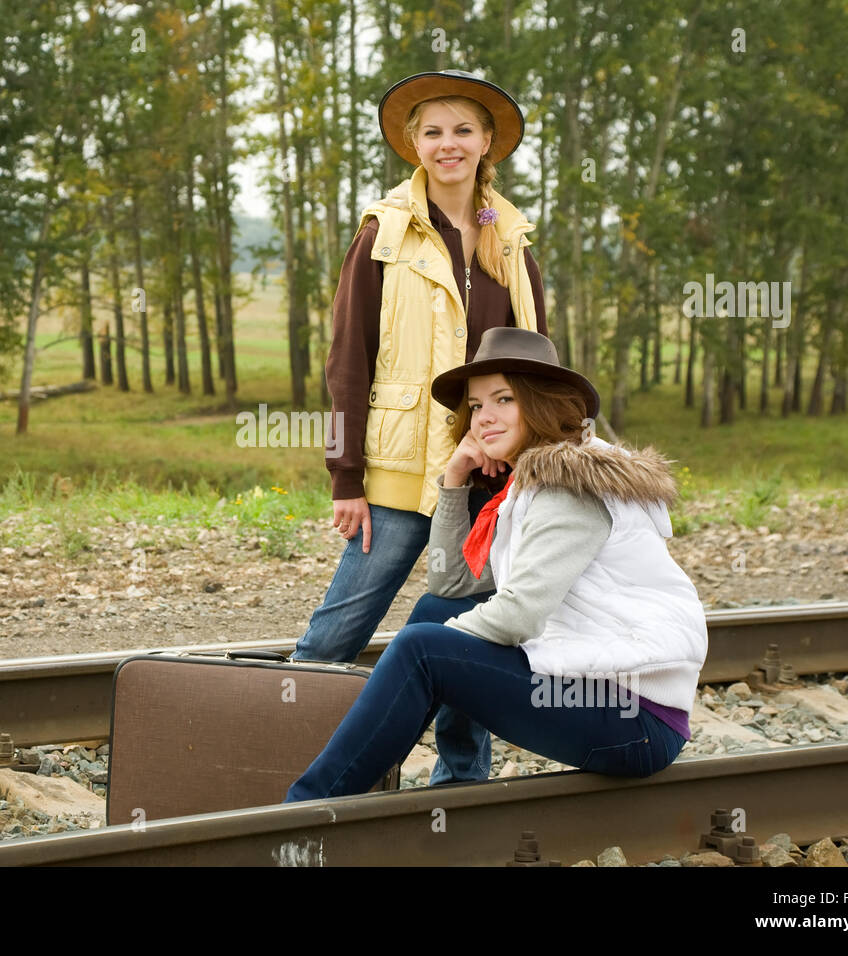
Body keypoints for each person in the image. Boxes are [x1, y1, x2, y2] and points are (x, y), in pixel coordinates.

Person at [284, 327, 708, 802]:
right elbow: (450, 584)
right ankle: (364, 786)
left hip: (636, 721)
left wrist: (432, 657)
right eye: (477, 405)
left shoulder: (569, 488)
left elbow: (519, 614)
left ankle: (303, 811)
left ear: (542, 402)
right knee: (432, 616)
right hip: (602, 693)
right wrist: (454, 478)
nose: (484, 417)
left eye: (503, 399)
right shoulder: (533, 484)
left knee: (422, 648)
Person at [291, 69, 550, 787]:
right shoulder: (383, 233)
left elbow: (539, 362)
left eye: (463, 130)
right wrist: (346, 477)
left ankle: (461, 786)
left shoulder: (513, 237)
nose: (449, 144)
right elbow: (348, 361)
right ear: (414, 143)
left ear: (486, 142)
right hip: (398, 473)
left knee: (469, 634)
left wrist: (539, 457)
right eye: (433, 131)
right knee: (338, 630)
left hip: (492, 474)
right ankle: (282, 752)